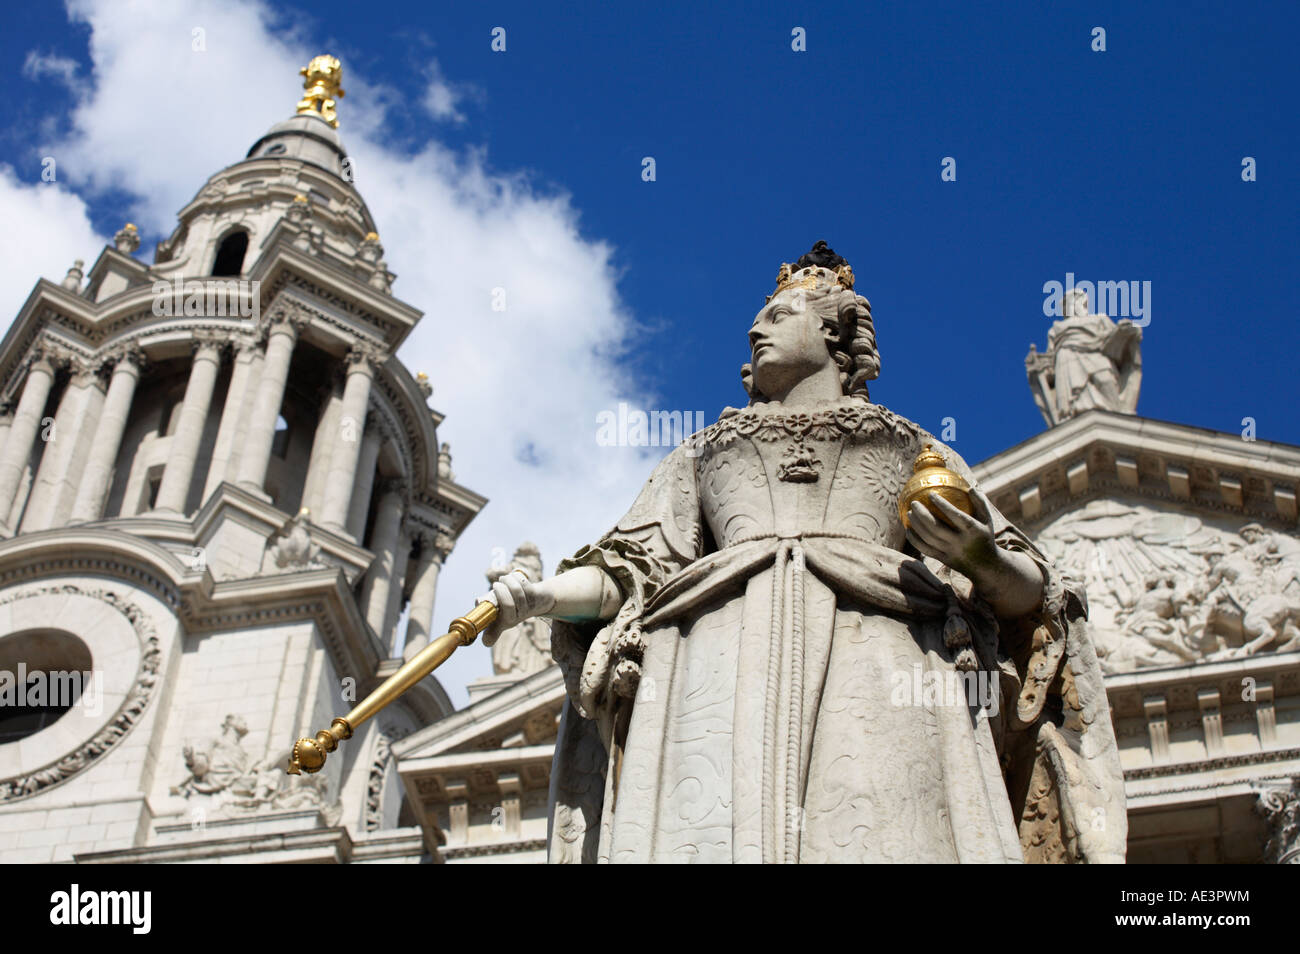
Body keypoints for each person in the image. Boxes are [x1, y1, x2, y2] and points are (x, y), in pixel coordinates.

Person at [481, 243, 1126, 863]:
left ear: (835, 335)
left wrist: (981, 560)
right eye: (755, 323)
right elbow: (633, 572)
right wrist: (540, 599)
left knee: (884, 829)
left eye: (778, 317)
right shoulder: (706, 451)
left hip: (884, 660)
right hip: (713, 666)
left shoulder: (911, 447)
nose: (757, 332)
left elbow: (1034, 597)